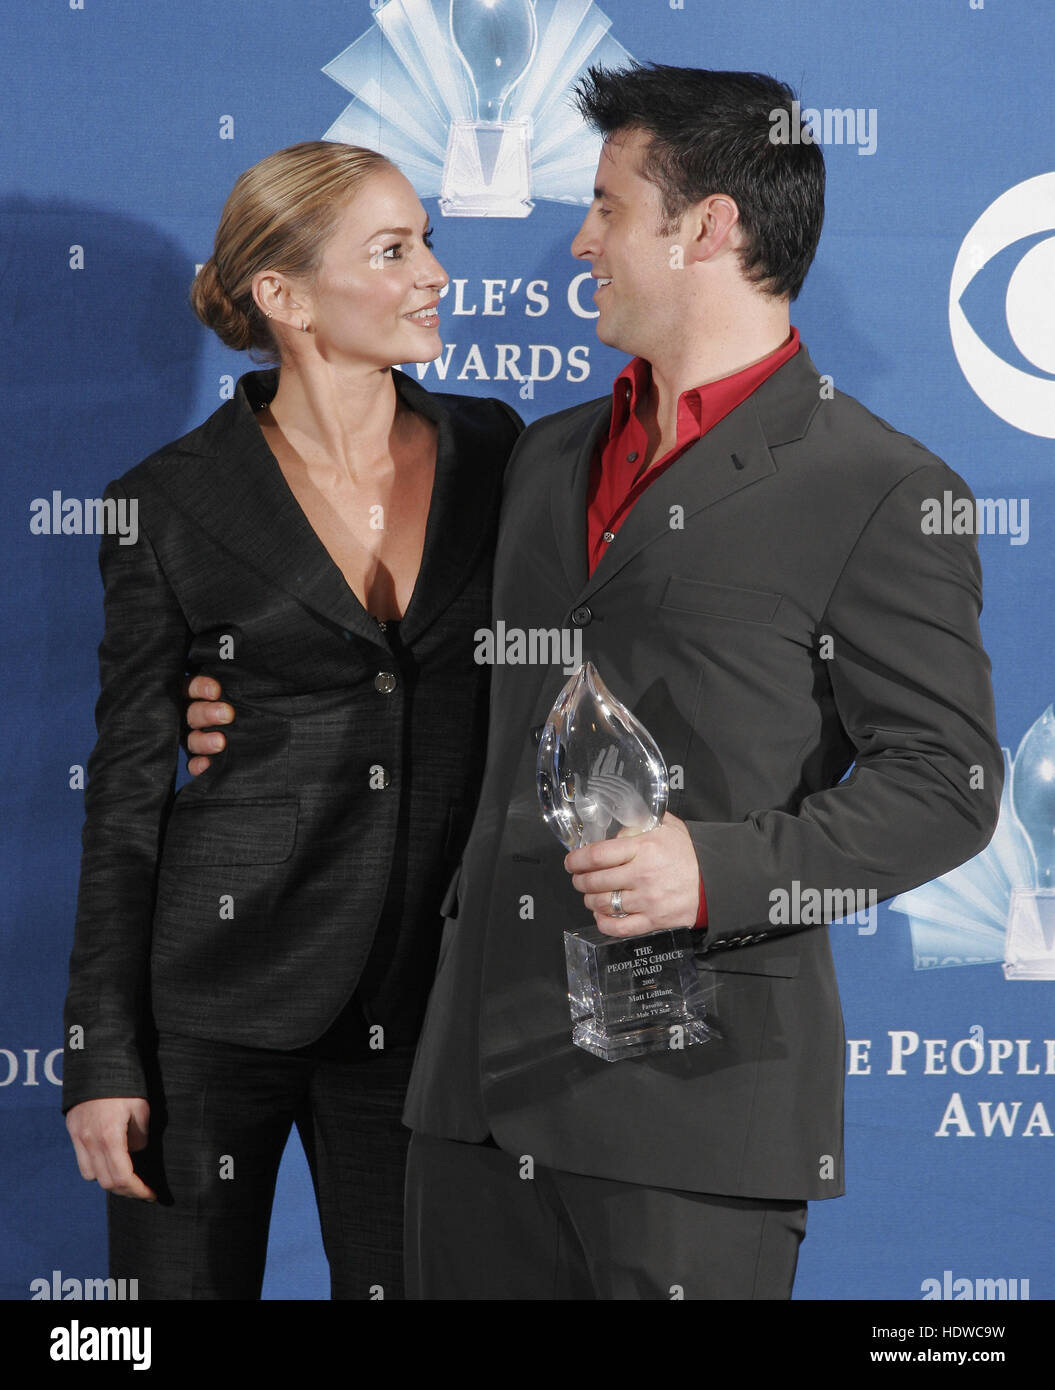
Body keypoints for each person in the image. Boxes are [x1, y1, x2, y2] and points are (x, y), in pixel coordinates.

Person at [187, 66, 1003, 1300]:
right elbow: (417, 675)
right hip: (471, 1098)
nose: (578, 239)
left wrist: (711, 867)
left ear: (705, 228)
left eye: (608, 207)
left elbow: (947, 785)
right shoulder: (540, 454)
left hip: (691, 1118)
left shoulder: (877, 487)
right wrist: (248, 709)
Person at [62, 140, 521, 1300]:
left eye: (427, 239)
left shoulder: (496, 452)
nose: (432, 272)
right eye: (392, 248)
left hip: (423, 999)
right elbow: (121, 792)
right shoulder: (166, 503)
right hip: (212, 1002)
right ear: (284, 294)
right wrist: (103, 1053)